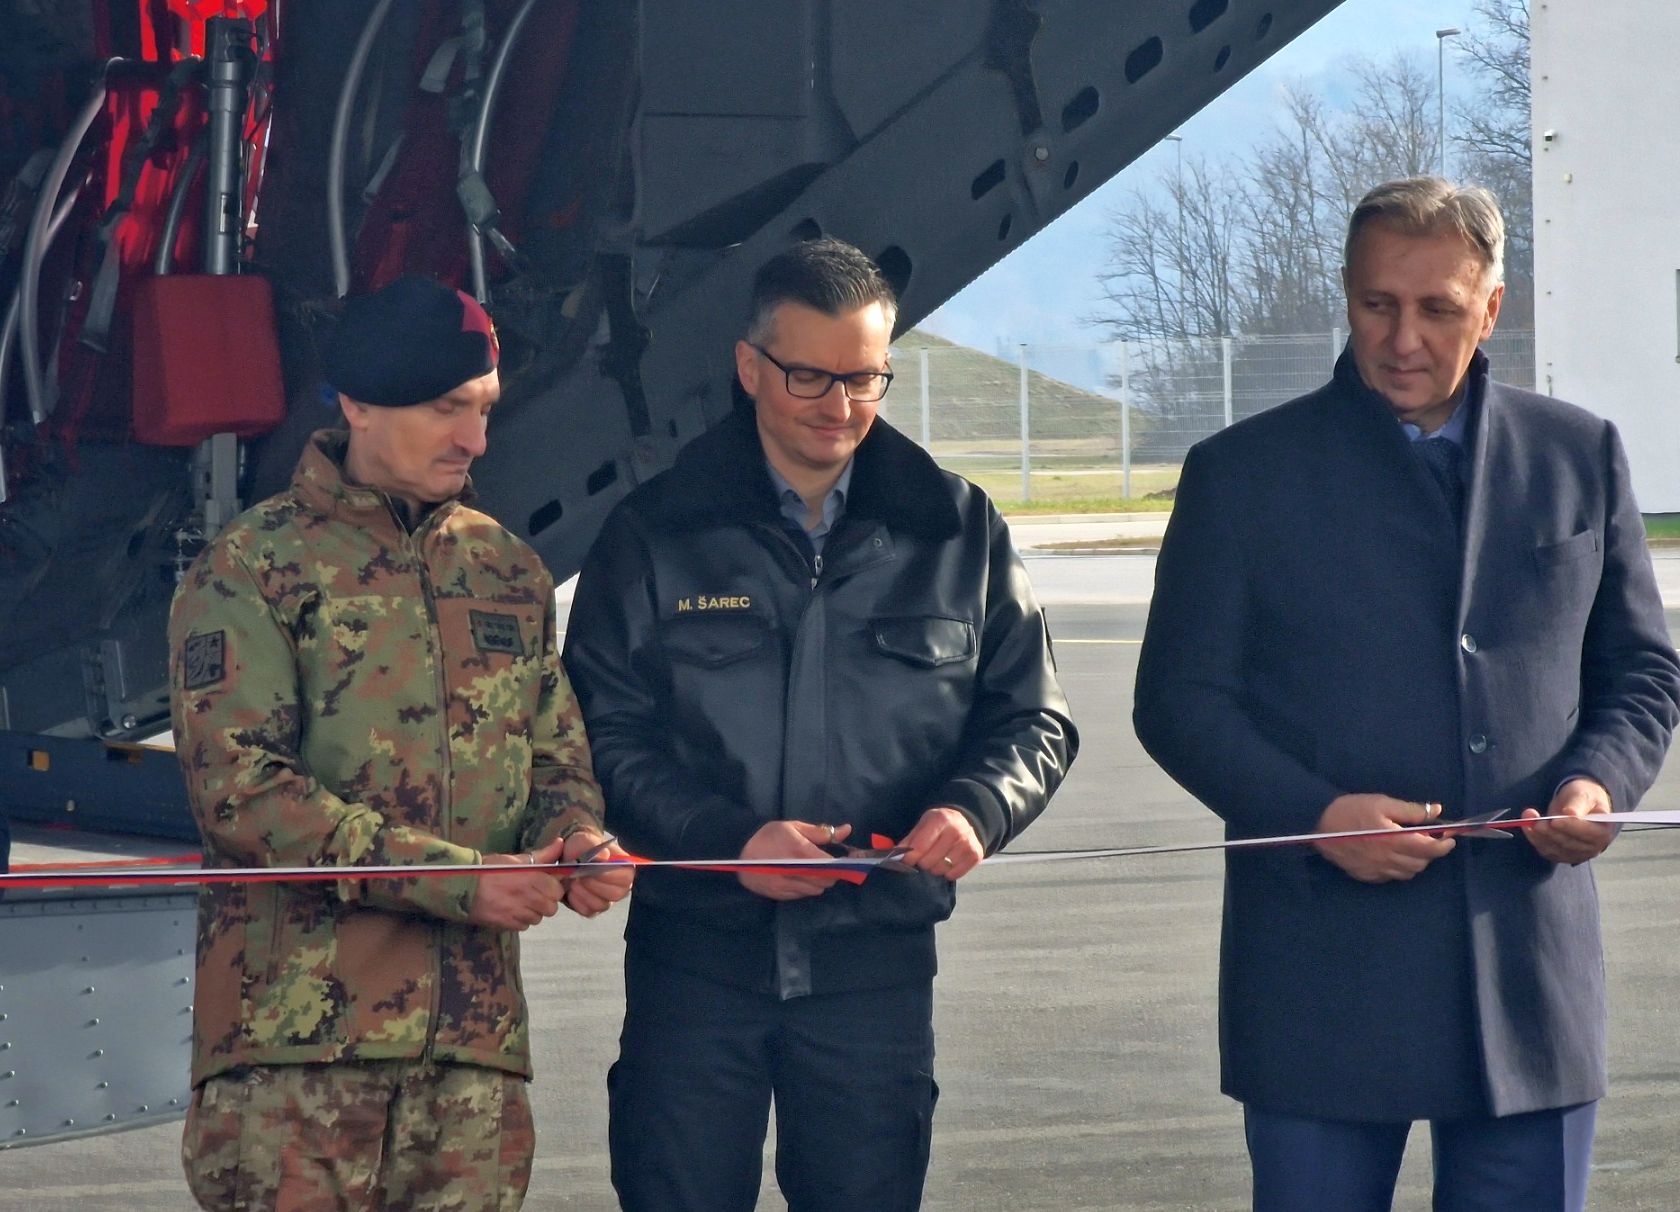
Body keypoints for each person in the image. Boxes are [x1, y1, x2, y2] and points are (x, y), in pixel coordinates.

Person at [1133, 177, 1680, 1212]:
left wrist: (1597, 785)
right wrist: (1311, 820)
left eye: (1438, 308)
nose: (1404, 338)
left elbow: (1642, 672)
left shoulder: (1580, 456)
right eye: (1378, 303)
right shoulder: (1241, 475)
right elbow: (1179, 700)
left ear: (1492, 307)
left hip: (1525, 979)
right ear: (1344, 294)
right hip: (1320, 981)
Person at [562, 236, 1077, 1211]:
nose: (842, 409)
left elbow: (1033, 720)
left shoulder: (957, 531)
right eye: (810, 378)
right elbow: (602, 730)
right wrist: (728, 845)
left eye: (867, 378)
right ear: (749, 367)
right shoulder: (657, 533)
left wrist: (976, 811)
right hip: (695, 971)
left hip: (872, 975)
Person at [168, 274, 632, 1211]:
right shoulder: (252, 569)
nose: (475, 439)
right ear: (358, 405)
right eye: (446, 408)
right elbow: (245, 798)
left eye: (486, 408)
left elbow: (554, 758)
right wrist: (462, 881)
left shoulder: (506, 570)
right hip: (296, 1053)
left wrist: (579, 839)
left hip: (471, 1058)